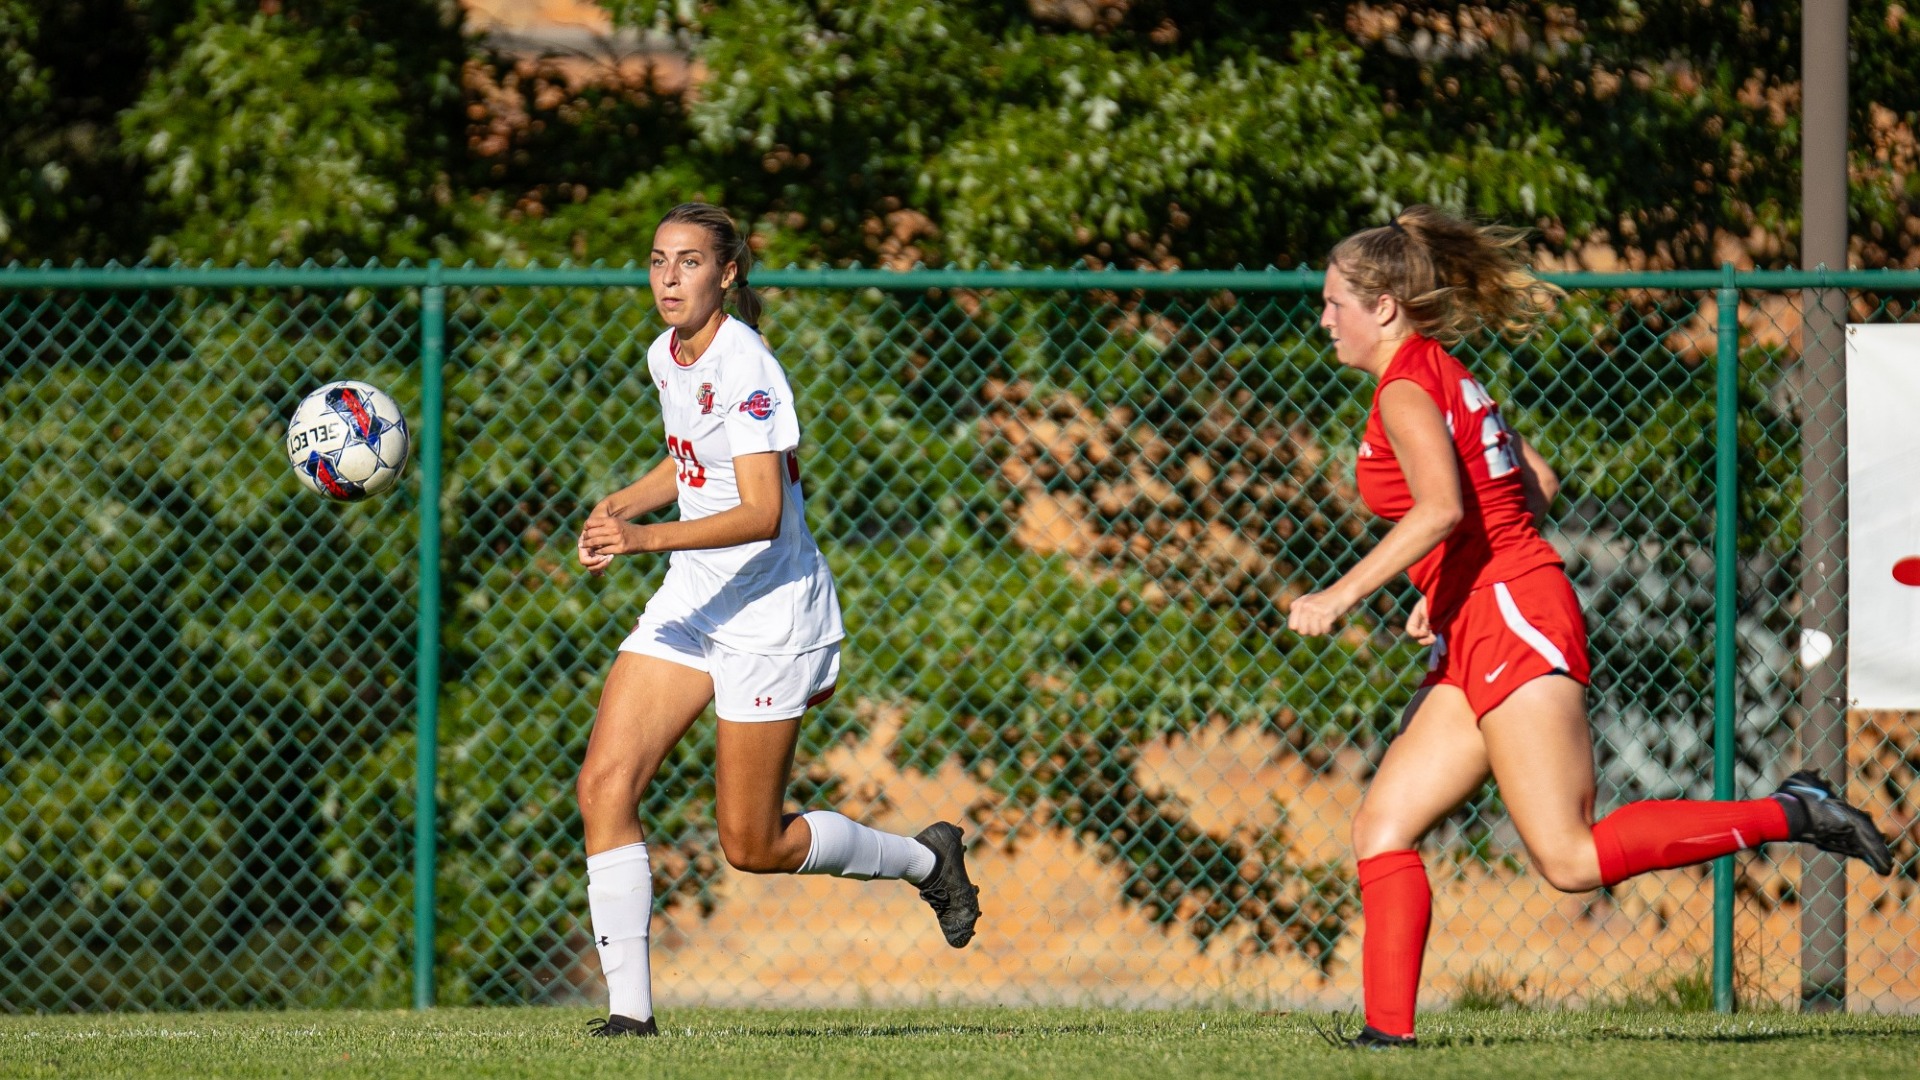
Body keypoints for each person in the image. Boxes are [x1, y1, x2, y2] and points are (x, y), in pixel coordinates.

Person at [1286, 205, 1893, 1048]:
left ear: (1384, 307)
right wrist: (1448, 576)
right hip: (1485, 612)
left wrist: (1341, 594)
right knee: (1382, 826)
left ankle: (1793, 811)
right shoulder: (1441, 370)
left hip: (1508, 613)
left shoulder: (1403, 388)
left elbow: (1440, 507)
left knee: (1569, 859)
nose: (1325, 320)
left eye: (1334, 303)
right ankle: (1388, 1040)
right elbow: (1535, 478)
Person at [573, 202, 981, 1037]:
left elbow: (761, 511)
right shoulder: (668, 355)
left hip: (767, 616)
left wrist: (644, 537)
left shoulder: (747, 363)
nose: (668, 279)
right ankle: (630, 1018)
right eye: (657, 261)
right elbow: (691, 460)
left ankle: (923, 858)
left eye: (688, 263)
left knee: (751, 844)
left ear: (727, 274)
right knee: (604, 786)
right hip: (695, 600)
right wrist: (620, 504)